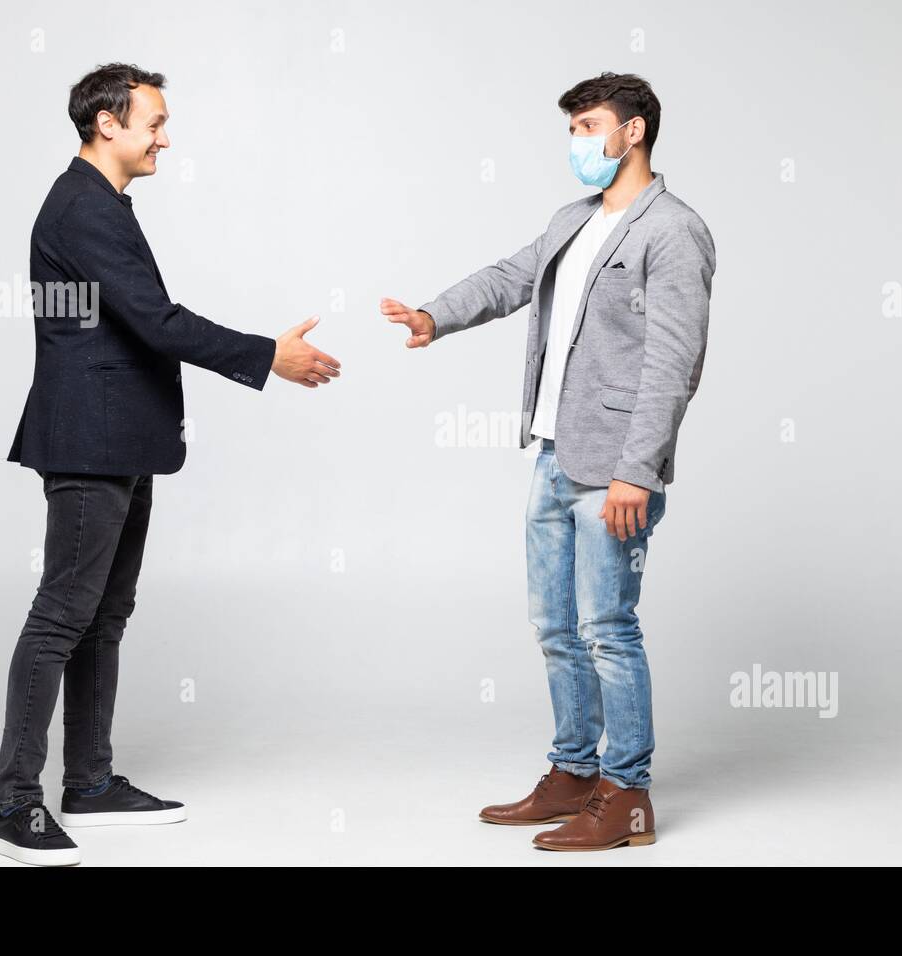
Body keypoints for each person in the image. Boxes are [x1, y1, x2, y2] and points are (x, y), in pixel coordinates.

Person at [0, 63, 341, 866]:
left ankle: (90, 781)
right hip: (88, 440)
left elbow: (93, 328)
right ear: (106, 124)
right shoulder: (80, 206)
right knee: (62, 614)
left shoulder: (92, 203)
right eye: (154, 122)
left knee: (104, 614)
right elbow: (156, 321)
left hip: (117, 434)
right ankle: (16, 802)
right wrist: (267, 356)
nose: (165, 137)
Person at [382, 72, 714, 851]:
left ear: (633, 132)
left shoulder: (673, 231)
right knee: (553, 625)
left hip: (616, 468)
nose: (577, 142)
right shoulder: (573, 219)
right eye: (571, 128)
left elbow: (674, 362)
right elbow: (509, 279)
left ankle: (627, 794)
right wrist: (435, 315)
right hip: (554, 455)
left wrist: (640, 468)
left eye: (589, 125)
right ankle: (572, 772)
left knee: (608, 627)